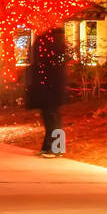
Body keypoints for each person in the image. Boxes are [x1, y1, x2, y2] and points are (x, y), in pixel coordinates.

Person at [25, 27, 68, 157]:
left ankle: (56, 148)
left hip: (49, 87)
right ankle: (50, 147)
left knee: (52, 117)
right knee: (51, 116)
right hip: (49, 86)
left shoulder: (49, 40)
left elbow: (47, 65)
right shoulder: (48, 40)